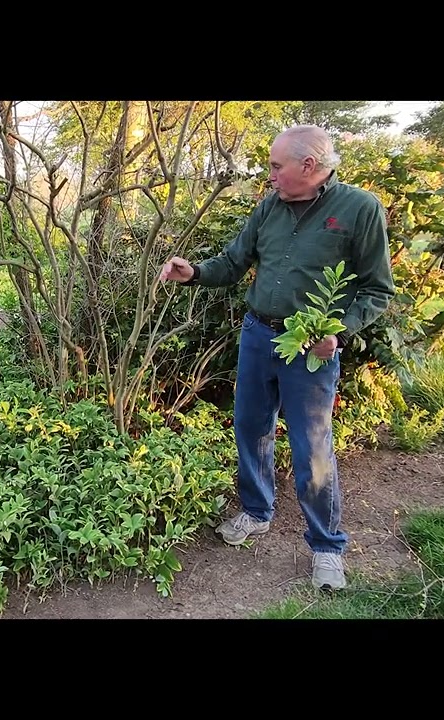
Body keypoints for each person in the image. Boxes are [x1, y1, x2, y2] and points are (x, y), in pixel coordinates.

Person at [158, 125, 395, 590]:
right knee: (250, 425)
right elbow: (233, 262)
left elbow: (376, 290)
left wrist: (337, 332)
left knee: (312, 448)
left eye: (275, 166)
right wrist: (194, 273)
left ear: (309, 166)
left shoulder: (358, 209)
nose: (269, 175)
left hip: (309, 346)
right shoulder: (270, 205)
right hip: (257, 335)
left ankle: (327, 547)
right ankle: (255, 511)